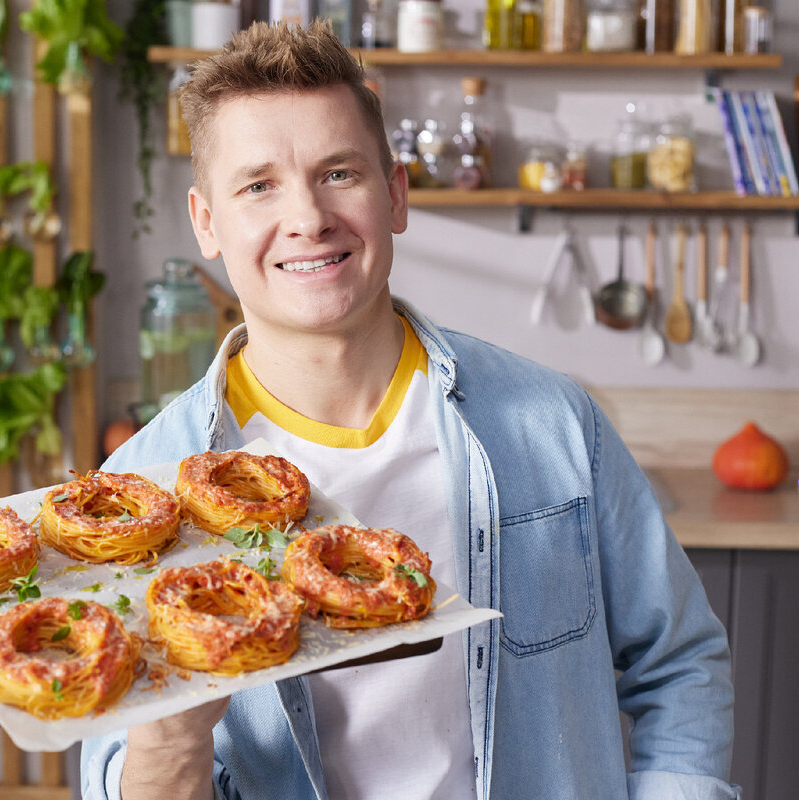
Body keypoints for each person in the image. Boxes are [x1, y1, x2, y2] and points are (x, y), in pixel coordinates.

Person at [81, 20, 737, 800]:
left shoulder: (552, 422)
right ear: (207, 223)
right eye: (259, 185)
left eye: (339, 173)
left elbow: (679, 661)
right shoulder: (139, 497)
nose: (308, 217)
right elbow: (116, 777)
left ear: (394, 194)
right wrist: (171, 735)